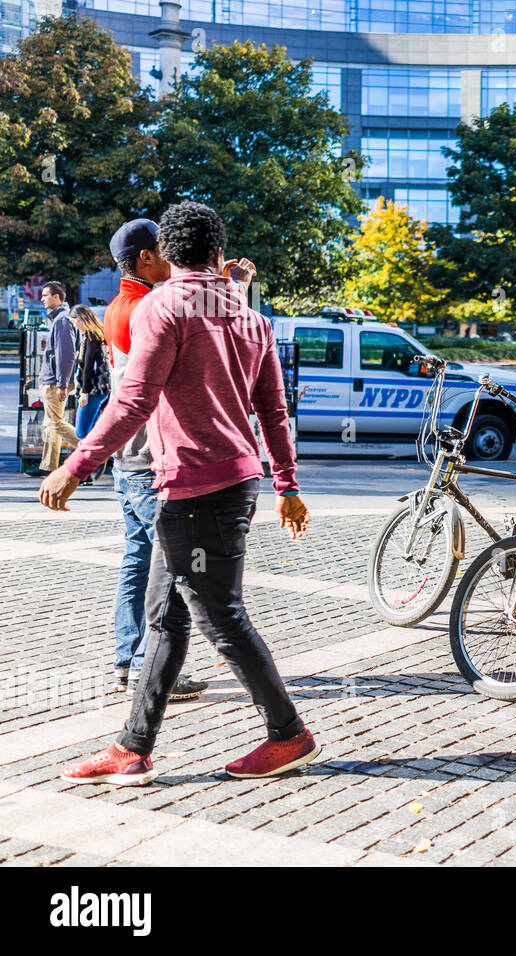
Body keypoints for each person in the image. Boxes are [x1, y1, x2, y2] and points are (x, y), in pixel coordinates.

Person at [43, 201, 317, 786]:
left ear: (166, 254)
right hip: (233, 479)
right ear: (218, 251)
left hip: (196, 488)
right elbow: (273, 408)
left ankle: (289, 733)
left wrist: (77, 463)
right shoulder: (248, 315)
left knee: (220, 618)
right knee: (165, 616)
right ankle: (132, 748)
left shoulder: (163, 307)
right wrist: (286, 482)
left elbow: (134, 399)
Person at [99, 218, 208, 700]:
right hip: (148, 454)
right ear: (146, 256)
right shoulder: (146, 307)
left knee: (138, 558)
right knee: (168, 564)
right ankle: (148, 666)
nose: (175, 257)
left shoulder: (117, 305)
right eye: (167, 250)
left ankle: (129, 658)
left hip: (128, 455)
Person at [35, 281, 80, 476]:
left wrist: (62, 383)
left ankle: (90, 450)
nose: (42, 299)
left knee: (54, 422)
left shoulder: (62, 320)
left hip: (55, 382)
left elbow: (66, 354)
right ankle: (48, 467)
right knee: (50, 424)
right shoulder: (58, 319)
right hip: (52, 379)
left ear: (57, 297)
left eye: (45, 295)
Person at [70, 306, 111, 484]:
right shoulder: (100, 333)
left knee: (82, 431)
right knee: (92, 430)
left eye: (75, 321)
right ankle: (88, 471)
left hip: (93, 390)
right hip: (102, 389)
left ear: (82, 319)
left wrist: (84, 392)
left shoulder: (91, 336)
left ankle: (98, 460)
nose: (75, 326)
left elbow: (87, 368)